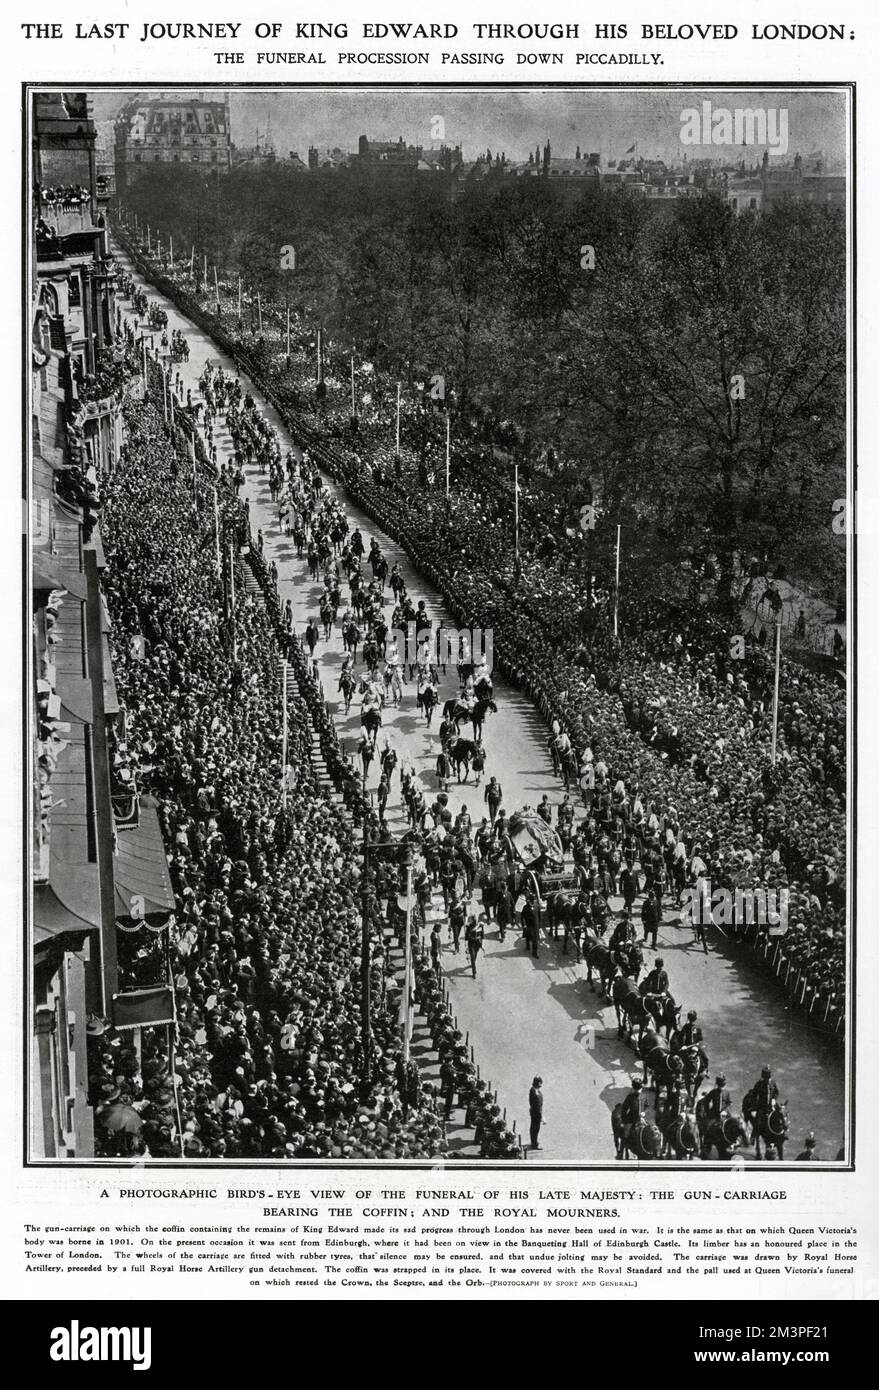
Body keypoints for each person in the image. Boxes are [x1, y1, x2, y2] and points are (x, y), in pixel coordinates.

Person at [529, 1076, 544, 1150]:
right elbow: (536, 1105)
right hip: (536, 1112)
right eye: (540, 1083)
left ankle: (534, 1142)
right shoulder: (534, 1092)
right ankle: (534, 1144)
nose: (541, 1085)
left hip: (536, 1112)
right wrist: (541, 1116)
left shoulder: (536, 1091)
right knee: (535, 1128)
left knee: (535, 1127)